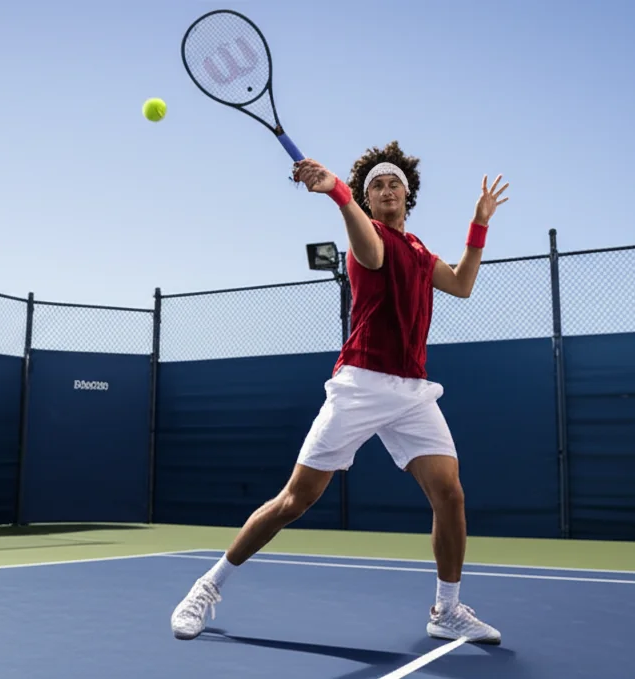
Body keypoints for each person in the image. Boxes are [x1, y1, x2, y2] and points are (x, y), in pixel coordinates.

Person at [169, 140, 510, 645]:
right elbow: (370, 249)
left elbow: (462, 285)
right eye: (377, 186)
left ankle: (447, 610)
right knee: (295, 500)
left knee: (450, 494)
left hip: (413, 391)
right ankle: (207, 586)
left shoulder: (420, 252)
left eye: (394, 183)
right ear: (368, 200)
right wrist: (337, 193)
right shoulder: (368, 240)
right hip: (360, 385)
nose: (387, 190)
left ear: (408, 193)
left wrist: (479, 223)